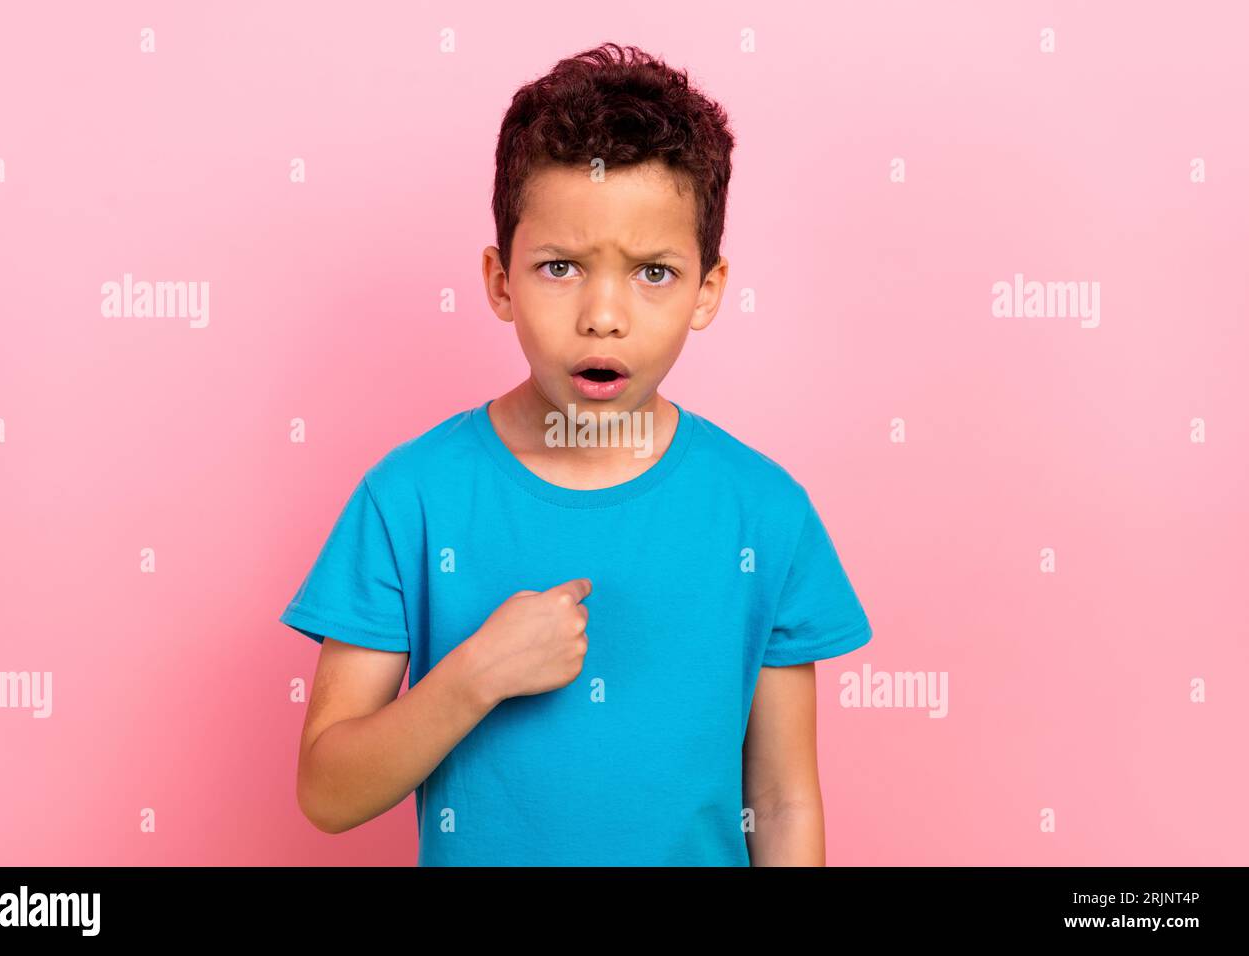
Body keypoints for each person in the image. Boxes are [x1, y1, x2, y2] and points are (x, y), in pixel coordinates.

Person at [279, 42, 872, 866]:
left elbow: (780, 800)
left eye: (654, 273)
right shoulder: (407, 499)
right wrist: (474, 673)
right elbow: (327, 793)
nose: (603, 315)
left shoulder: (766, 513)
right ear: (499, 281)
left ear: (708, 288)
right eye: (560, 267)